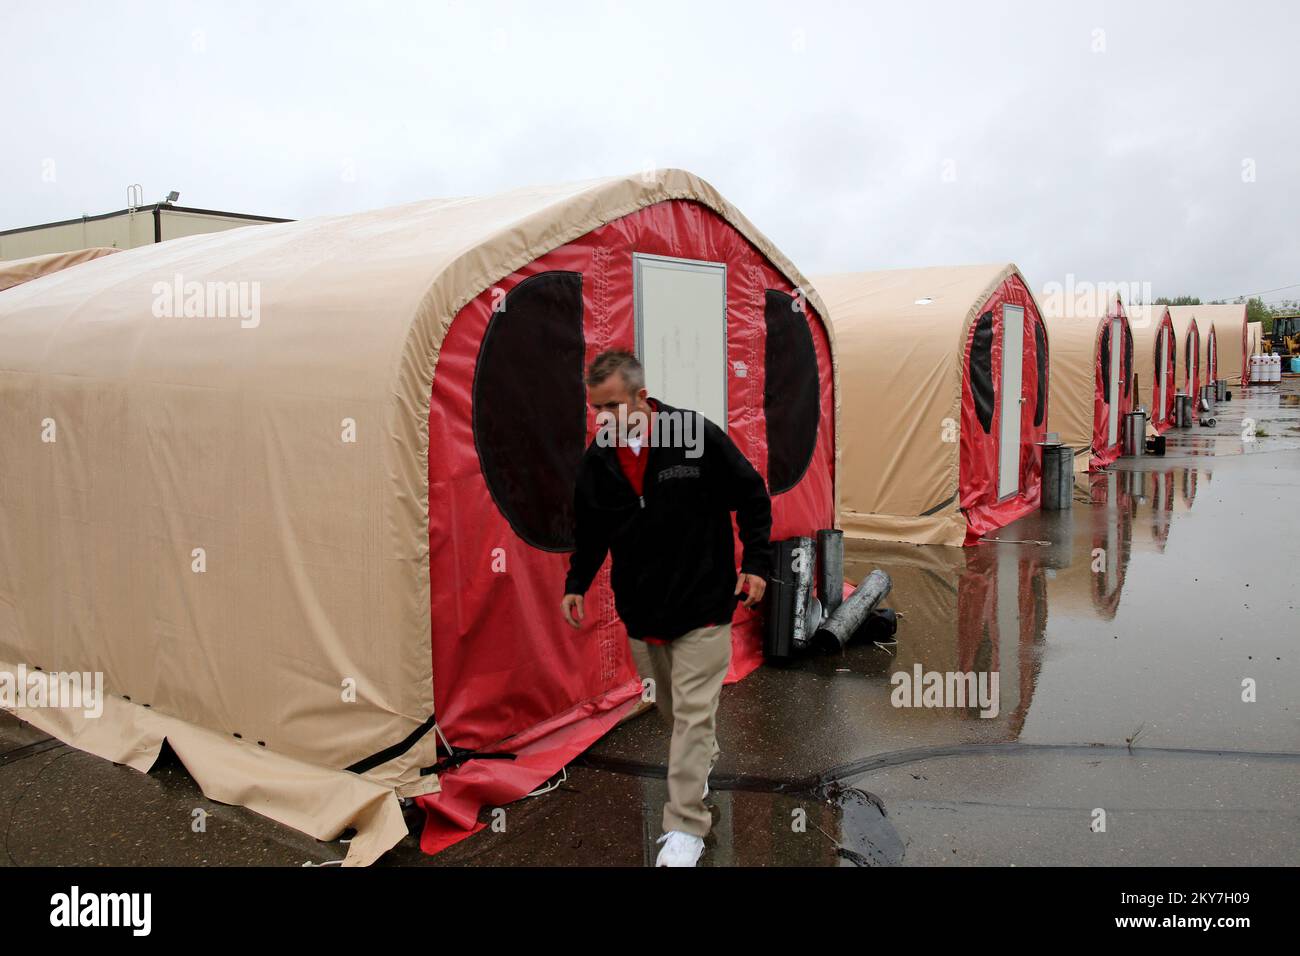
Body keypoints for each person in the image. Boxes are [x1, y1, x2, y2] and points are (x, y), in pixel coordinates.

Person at [561, 349, 772, 867]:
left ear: (640, 398)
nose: (604, 420)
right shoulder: (598, 461)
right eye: (596, 410)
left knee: (693, 718)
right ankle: (697, 763)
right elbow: (590, 530)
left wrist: (758, 563)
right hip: (643, 610)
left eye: (612, 407)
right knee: (674, 713)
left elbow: (751, 494)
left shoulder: (693, 436)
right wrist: (577, 583)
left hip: (704, 603)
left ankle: (685, 830)